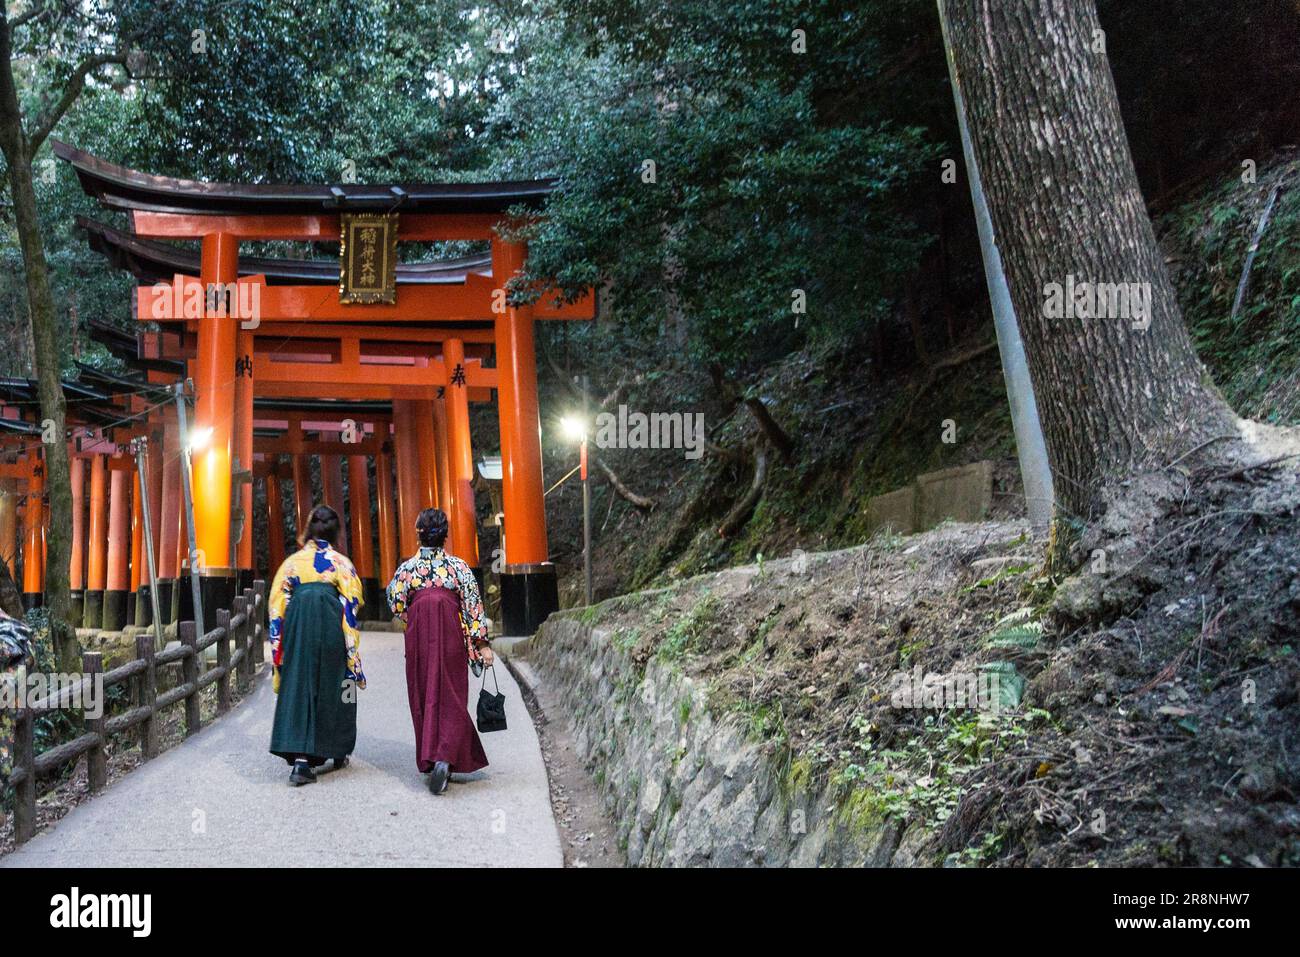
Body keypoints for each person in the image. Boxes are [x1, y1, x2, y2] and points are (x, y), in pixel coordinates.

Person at [386, 507, 492, 795]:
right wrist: (481, 643)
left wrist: (416, 616)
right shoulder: (459, 568)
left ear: (419, 534)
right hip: (451, 633)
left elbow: (395, 602)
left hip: (419, 634)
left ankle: (432, 757)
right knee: (452, 692)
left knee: (423, 692)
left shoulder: (407, 569)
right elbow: (473, 608)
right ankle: (445, 755)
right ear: (445, 535)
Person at [268, 505, 365, 786]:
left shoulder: (292, 564)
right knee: (337, 683)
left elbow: (277, 603)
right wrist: (352, 653)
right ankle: (336, 749)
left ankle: (300, 760)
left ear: (309, 530)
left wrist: (279, 646)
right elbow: (351, 604)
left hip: (298, 623)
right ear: (336, 532)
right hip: (330, 621)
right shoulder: (341, 564)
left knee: (300, 683)